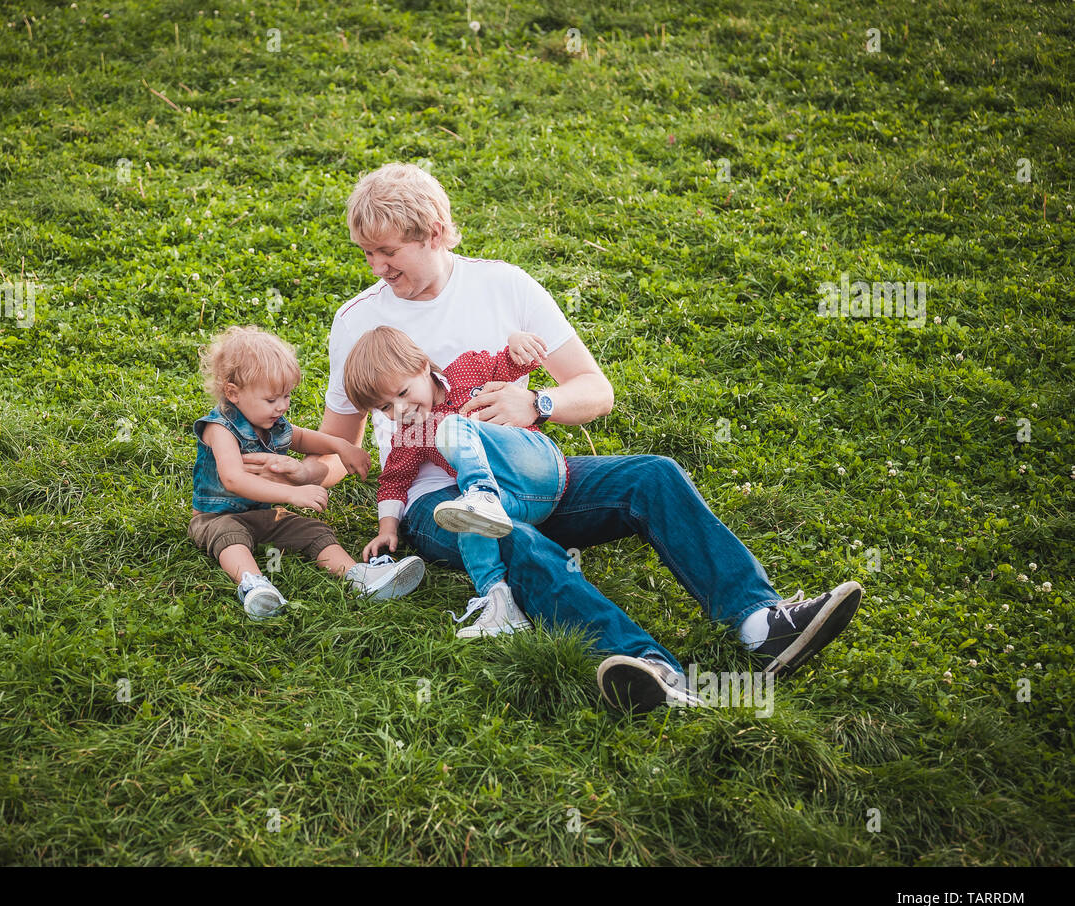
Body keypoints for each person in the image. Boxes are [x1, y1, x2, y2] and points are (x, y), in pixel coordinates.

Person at [241, 163, 863, 712]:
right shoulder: (357, 322)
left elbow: (595, 390)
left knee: (655, 475)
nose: (376, 268)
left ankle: (760, 623)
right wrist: (298, 476)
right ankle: (650, 667)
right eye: (365, 254)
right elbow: (341, 445)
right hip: (439, 501)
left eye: (385, 251)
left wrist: (534, 402)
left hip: (531, 473)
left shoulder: (505, 286)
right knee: (509, 538)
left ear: (430, 234)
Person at [343, 324, 568, 637]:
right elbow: (394, 480)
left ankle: (481, 493)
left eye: (403, 393)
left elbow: (514, 363)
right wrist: (387, 529)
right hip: (514, 502)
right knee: (464, 517)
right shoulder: (411, 434)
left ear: (423, 367)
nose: (400, 409)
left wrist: (519, 343)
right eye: (384, 407)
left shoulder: (467, 369)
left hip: (536, 465)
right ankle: (500, 604)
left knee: (449, 427)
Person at [186, 324, 425, 619]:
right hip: (215, 517)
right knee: (230, 535)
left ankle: (358, 576)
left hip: (262, 516)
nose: (282, 407)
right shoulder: (219, 429)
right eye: (271, 399)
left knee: (313, 530)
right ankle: (254, 583)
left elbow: (302, 438)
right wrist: (292, 493)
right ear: (233, 393)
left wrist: (341, 446)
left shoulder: (273, 422)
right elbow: (233, 479)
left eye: (286, 396)